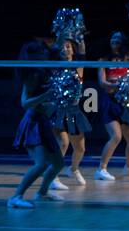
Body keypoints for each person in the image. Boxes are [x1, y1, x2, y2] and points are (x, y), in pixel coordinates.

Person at [8, 40, 68, 208]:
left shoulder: (48, 72)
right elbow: (25, 103)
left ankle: (41, 193)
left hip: (44, 121)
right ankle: (15, 197)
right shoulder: (32, 75)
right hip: (33, 122)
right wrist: (48, 95)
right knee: (41, 164)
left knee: (58, 164)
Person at [96, 11, 129, 181]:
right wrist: (118, 86)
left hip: (125, 103)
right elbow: (102, 83)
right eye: (112, 39)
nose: (115, 41)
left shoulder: (126, 57)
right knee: (116, 136)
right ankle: (101, 169)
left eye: (118, 39)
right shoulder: (103, 60)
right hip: (109, 101)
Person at [53, 37, 92, 185]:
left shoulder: (79, 66)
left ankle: (74, 169)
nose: (65, 49)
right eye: (63, 47)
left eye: (68, 46)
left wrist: (79, 35)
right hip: (59, 110)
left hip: (74, 111)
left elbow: (83, 51)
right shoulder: (55, 68)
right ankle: (53, 176)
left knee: (80, 148)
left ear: (73, 50)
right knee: (63, 143)